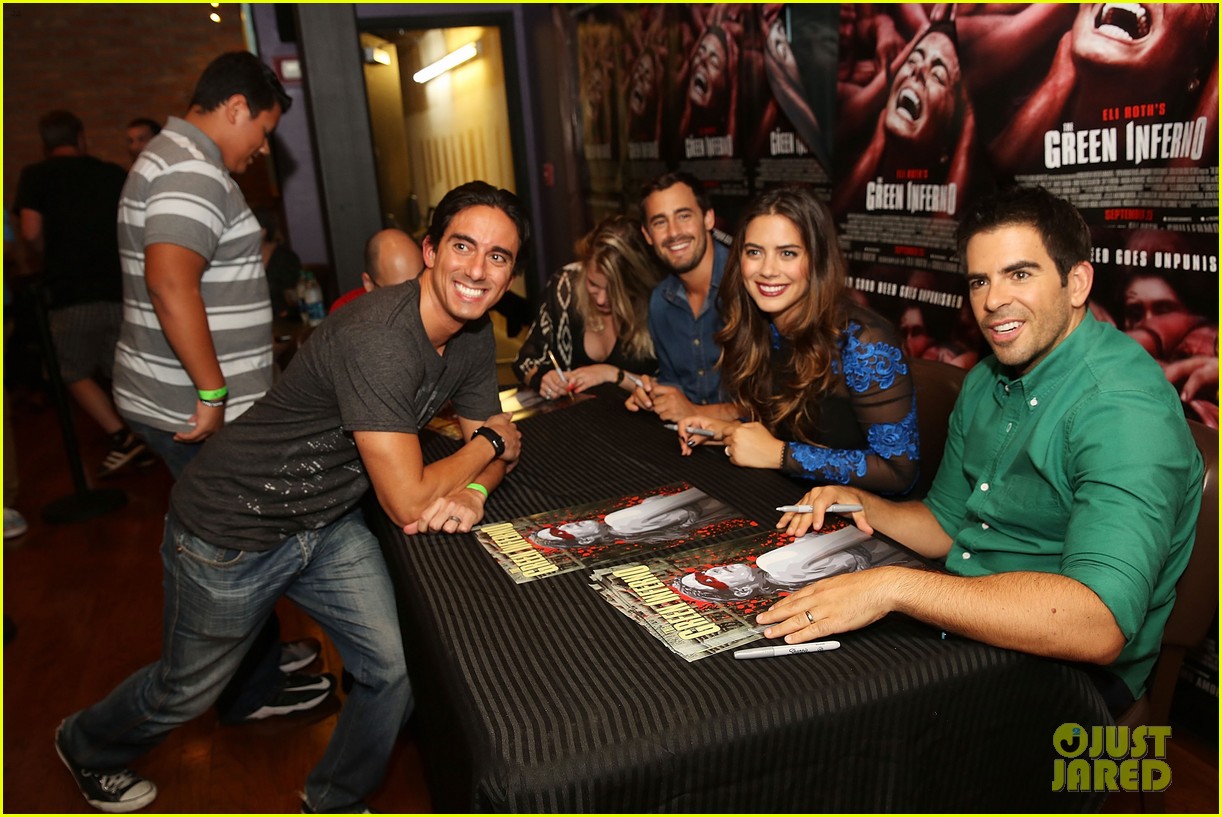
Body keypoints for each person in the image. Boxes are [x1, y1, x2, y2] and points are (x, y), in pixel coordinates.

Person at [55, 180, 529, 814]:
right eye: (464, 246)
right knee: (185, 692)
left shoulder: (470, 337)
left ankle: (333, 798)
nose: (477, 269)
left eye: (497, 256)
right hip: (231, 530)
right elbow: (417, 499)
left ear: (511, 272)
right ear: (430, 251)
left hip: (326, 521)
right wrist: (490, 450)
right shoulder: (380, 338)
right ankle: (84, 743)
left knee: (395, 668)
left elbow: (489, 447)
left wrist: (474, 484)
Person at [760, 186, 1203, 713]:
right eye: (979, 281)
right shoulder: (988, 377)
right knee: (779, 674)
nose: (993, 301)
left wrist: (894, 589)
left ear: (1077, 282)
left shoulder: (1124, 409)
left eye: (1020, 274)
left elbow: (1098, 622)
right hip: (967, 617)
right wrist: (859, 502)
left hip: (1070, 676)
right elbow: (948, 523)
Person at [108, 54, 332, 728]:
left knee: (241, 538)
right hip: (190, 408)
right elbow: (171, 280)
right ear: (235, 107)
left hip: (166, 395)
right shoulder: (193, 168)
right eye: (262, 130)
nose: (262, 147)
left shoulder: (171, 155)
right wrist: (212, 395)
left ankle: (255, 658)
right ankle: (247, 689)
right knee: (238, 548)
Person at [678, 186, 919, 496]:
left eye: (787, 253)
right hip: (788, 498)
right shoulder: (760, 324)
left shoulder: (864, 342)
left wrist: (779, 455)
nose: (767, 270)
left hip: (859, 522)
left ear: (817, 260)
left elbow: (900, 474)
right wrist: (732, 430)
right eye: (754, 252)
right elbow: (793, 423)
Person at [13, 110, 151, 477]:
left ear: (46, 144)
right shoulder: (110, 173)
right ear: (81, 138)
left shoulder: (36, 176)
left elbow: (29, 232)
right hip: (119, 289)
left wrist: (49, 254)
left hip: (71, 292)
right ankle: (146, 437)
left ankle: (122, 436)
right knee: (119, 370)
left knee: (70, 370)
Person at [833, 18, 977, 218]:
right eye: (913, 60)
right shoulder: (848, 152)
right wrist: (876, 148)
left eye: (937, 75)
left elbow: (939, 240)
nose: (918, 70)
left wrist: (970, 118)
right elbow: (833, 223)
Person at [513, 215, 661, 399]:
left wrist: (612, 374)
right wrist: (542, 379)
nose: (601, 299)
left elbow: (674, 392)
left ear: (636, 284)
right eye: (593, 284)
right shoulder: (564, 289)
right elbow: (525, 361)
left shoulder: (659, 303)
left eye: (614, 291)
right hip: (574, 421)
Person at [625, 172, 730, 421]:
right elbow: (677, 388)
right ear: (648, 235)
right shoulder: (661, 302)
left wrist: (696, 412)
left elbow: (775, 405)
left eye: (683, 216)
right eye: (660, 222)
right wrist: (655, 397)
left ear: (708, 218)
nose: (673, 233)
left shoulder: (751, 287)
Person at [674, 526, 909, 602]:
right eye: (708, 579)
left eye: (701, 571)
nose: (712, 569)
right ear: (743, 590)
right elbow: (852, 542)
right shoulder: (775, 567)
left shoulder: (783, 578)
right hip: (888, 540)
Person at [528, 486, 736, 549]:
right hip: (708, 502)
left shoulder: (624, 530)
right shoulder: (619, 523)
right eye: (562, 532)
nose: (570, 525)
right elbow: (680, 510)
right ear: (584, 540)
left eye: (562, 526)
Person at [329, 228, 423, 314]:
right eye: (398, 292)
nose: (414, 300)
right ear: (369, 284)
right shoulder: (346, 313)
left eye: (419, 284)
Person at [253, 205, 304, 320]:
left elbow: (294, 297)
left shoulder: (285, 258)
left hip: (287, 321)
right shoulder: (245, 260)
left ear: (262, 232)